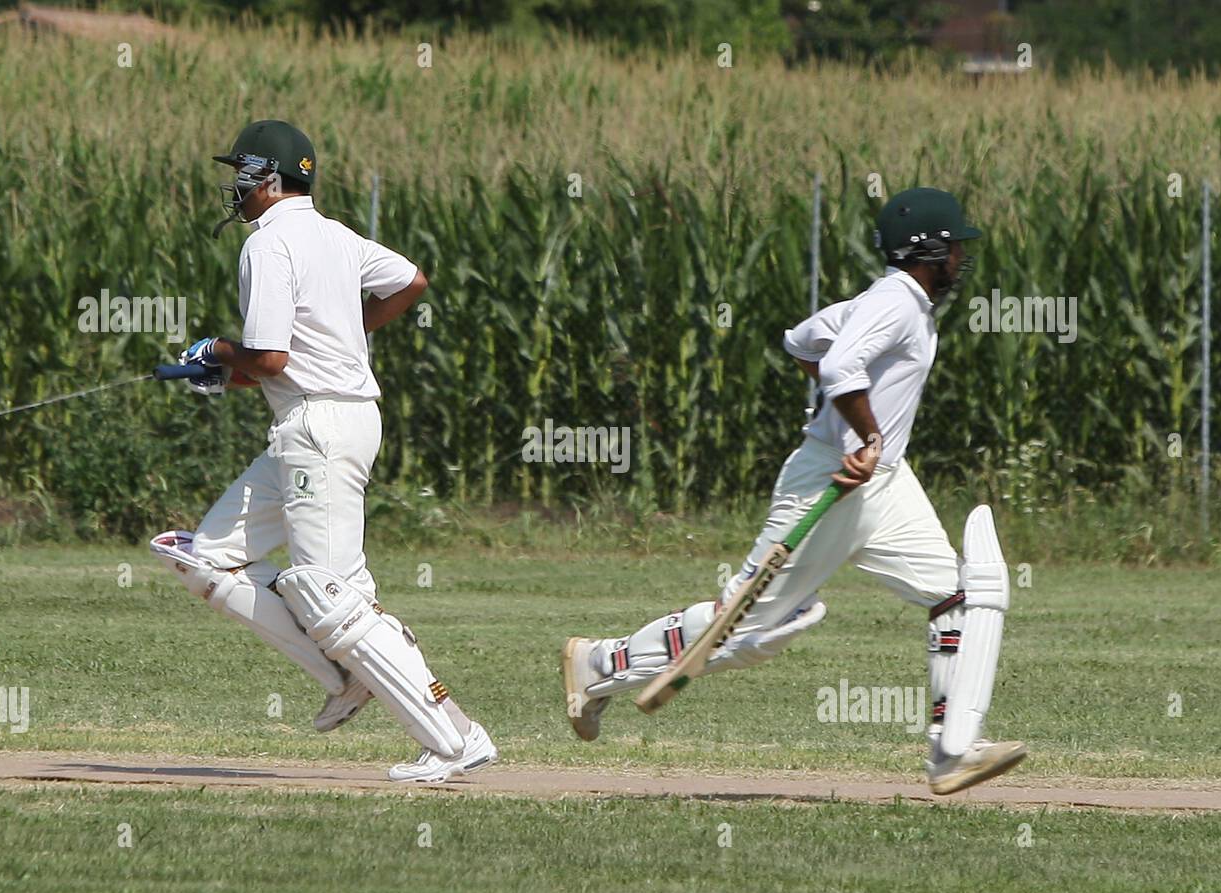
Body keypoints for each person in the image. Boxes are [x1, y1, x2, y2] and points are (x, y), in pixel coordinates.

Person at [562, 186, 1026, 795]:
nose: (961, 261)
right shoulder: (896, 303)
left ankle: (953, 750)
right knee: (752, 631)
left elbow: (804, 341)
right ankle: (600, 662)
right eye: (956, 249)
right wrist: (861, 434)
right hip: (832, 479)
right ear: (931, 249)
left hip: (884, 483)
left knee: (957, 597)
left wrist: (866, 438)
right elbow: (836, 367)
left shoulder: (885, 302)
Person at [150, 120, 497, 783]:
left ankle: (456, 739)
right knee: (201, 556)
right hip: (312, 428)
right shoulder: (338, 237)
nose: (235, 187)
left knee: (327, 593)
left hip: (322, 431)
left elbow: (272, 357)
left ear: (270, 179)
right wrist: (251, 363)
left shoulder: (269, 245)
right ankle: (345, 673)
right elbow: (412, 282)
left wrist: (216, 353)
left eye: (243, 174)